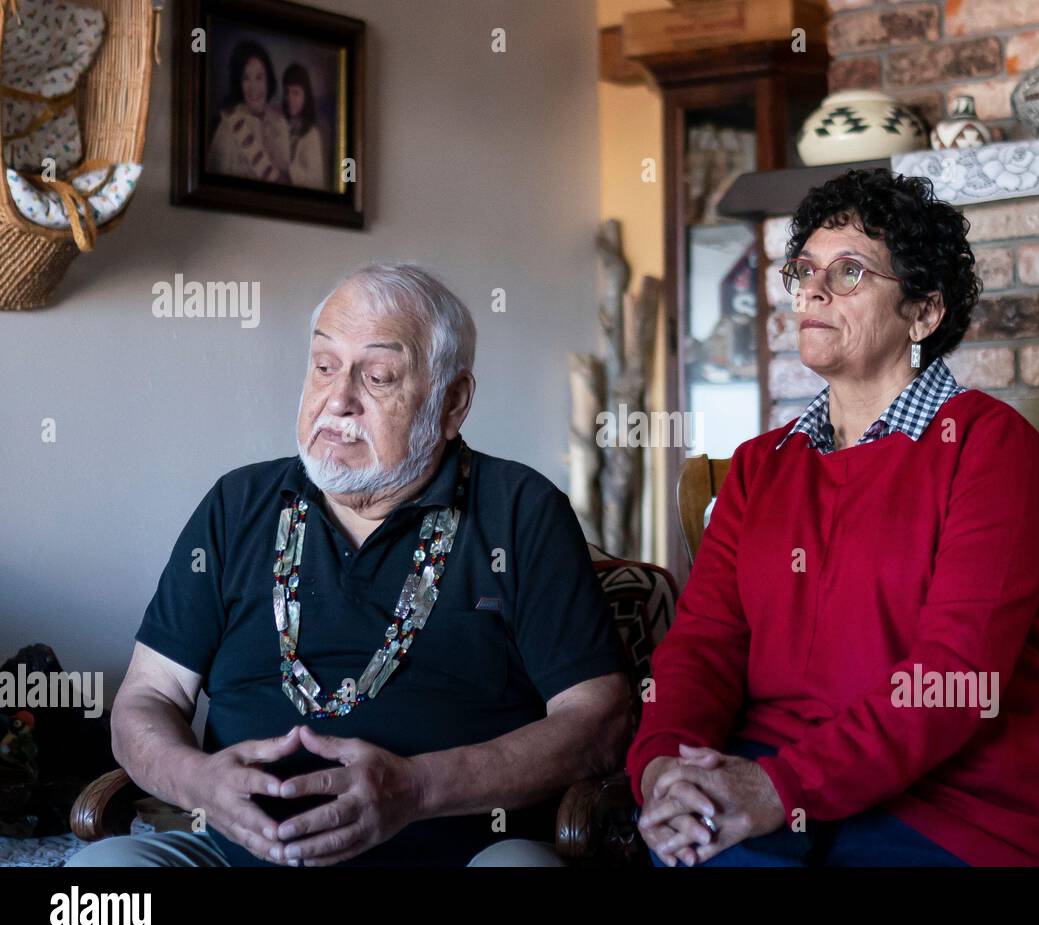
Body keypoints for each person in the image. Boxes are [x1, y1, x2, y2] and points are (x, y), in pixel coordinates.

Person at [68, 263, 631, 867]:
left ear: (453, 402)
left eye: (379, 376)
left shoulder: (521, 511)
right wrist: (200, 783)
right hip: (239, 857)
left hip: (459, 856)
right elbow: (146, 697)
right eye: (324, 366)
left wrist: (416, 787)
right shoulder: (238, 506)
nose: (338, 400)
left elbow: (598, 719)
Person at [627, 168, 1039, 867]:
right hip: (763, 789)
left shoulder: (989, 448)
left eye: (847, 273)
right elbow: (703, 646)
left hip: (950, 811)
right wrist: (664, 771)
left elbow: (952, 678)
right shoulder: (759, 465)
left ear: (924, 312)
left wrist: (779, 789)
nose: (810, 289)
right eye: (804, 270)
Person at [207, 40, 291, 183]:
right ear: (239, 84)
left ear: (268, 80)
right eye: (246, 78)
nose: (253, 88)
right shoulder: (229, 126)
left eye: (259, 77)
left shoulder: (280, 122)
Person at [282, 63, 328, 190]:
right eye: (287, 92)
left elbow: (315, 182)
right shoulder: (281, 125)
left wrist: (288, 168)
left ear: (305, 96)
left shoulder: (312, 135)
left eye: (295, 93)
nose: (289, 98)